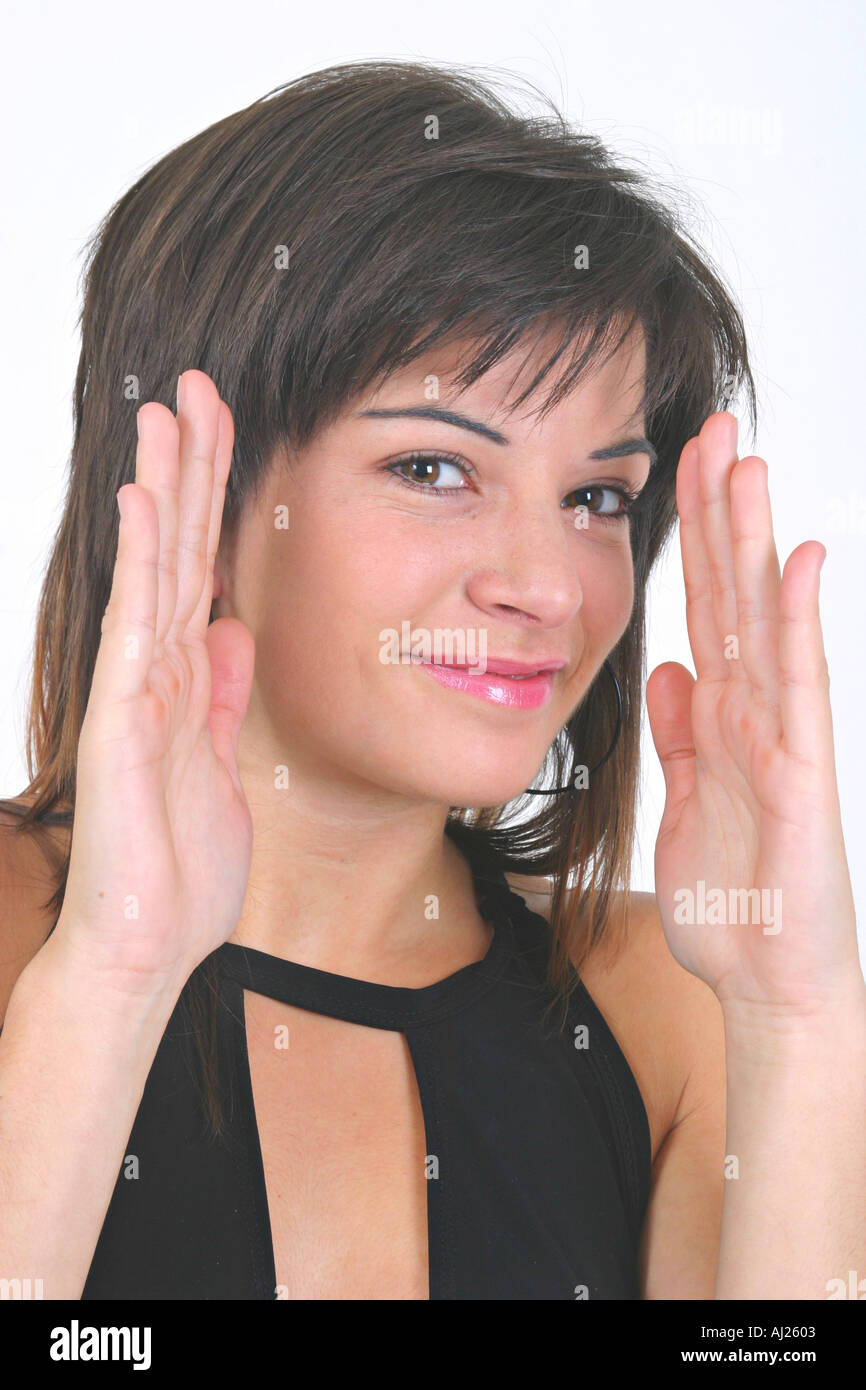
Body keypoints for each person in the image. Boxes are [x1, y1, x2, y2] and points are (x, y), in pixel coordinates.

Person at [0, 59, 863, 1302]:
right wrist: (112, 983)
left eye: (594, 496)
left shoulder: (664, 1013)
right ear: (205, 479)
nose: (551, 587)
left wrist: (800, 1018)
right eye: (434, 469)